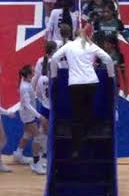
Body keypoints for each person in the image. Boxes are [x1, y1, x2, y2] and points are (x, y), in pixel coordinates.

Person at [49, 25, 116, 158]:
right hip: (92, 82)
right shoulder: (90, 45)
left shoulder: (69, 46)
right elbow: (108, 59)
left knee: (77, 115)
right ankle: (87, 137)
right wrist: (111, 76)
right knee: (88, 110)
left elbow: (54, 59)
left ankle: (76, 147)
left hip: (75, 84)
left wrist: (54, 76)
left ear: (74, 36)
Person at [10, 64, 46, 173]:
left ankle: (18, 154)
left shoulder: (26, 82)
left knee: (27, 135)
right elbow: (27, 104)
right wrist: (39, 116)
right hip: (28, 115)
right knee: (38, 137)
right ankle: (36, 163)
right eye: (33, 71)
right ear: (29, 74)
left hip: (27, 114)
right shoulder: (24, 87)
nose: (34, 72)